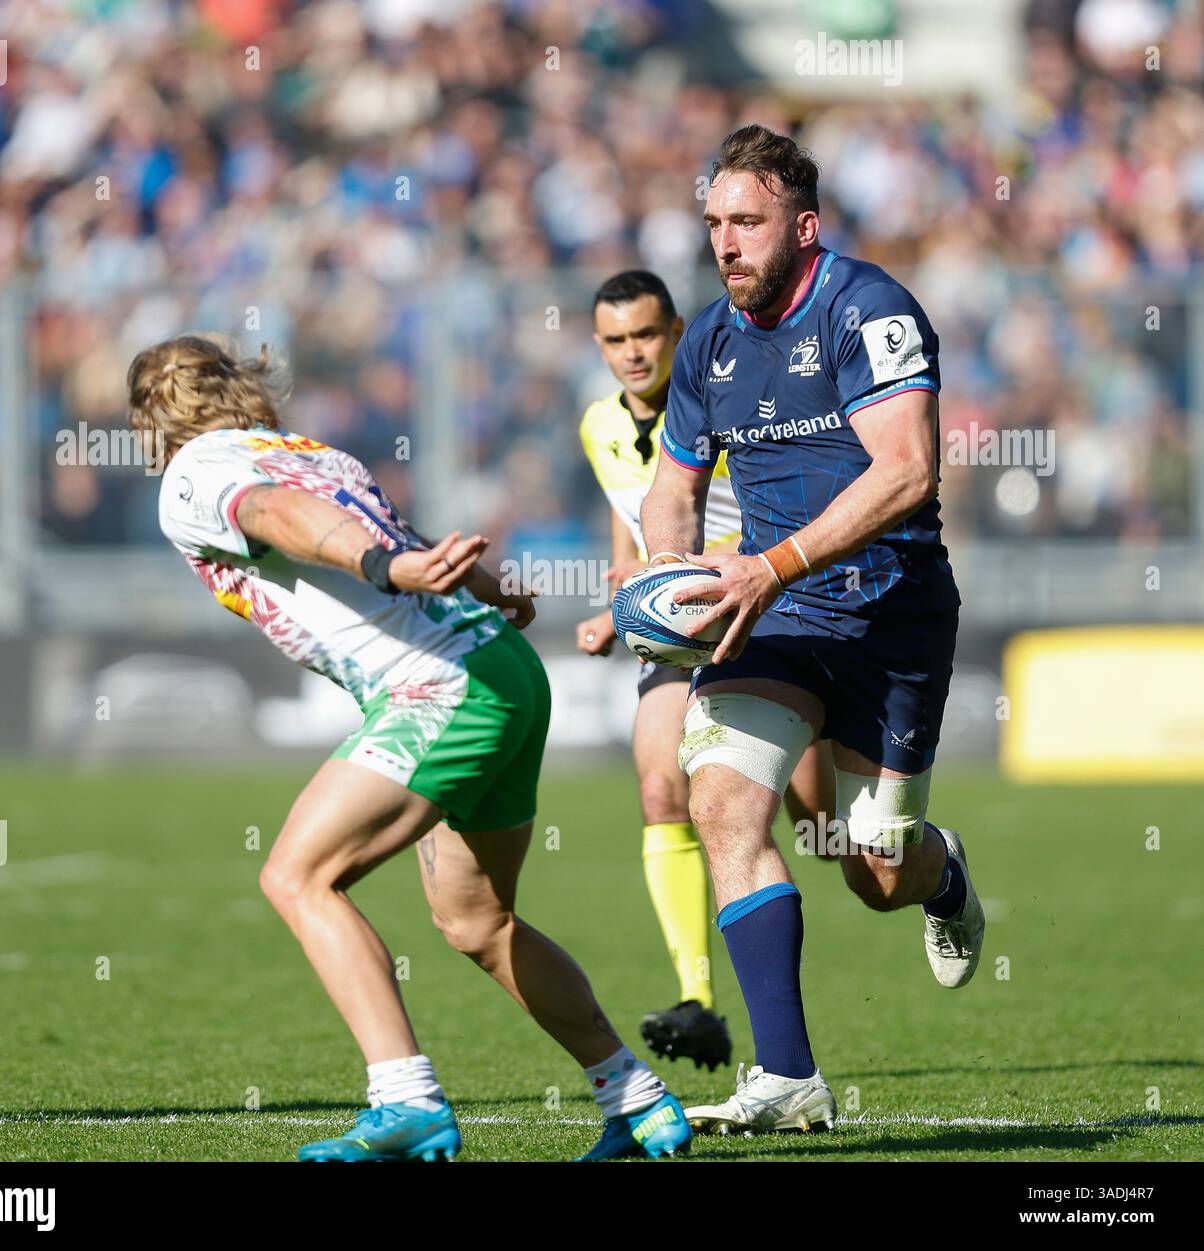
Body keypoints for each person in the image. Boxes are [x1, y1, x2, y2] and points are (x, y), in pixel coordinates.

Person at [128, 334, 691, 1161]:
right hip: (502, 665)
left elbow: (278, 516)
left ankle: (405, 1098)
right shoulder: (312, 451)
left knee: (297, 874)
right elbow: (399, 527)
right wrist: (489, 586)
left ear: (151, 424)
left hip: (439, 685)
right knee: (478, 920)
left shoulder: (194, 473)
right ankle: (638, 1101)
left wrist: (387, 567)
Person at [638, 126, 985, 1136]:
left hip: (889, 612)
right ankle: (786, 1075)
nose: (725, 243)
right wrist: (665, 581)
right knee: (723, 805)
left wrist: (771, 561)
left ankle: (942, 871)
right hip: (772, 615)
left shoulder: (866, 309)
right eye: (712, 224)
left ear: (801, 223)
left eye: (745, 222)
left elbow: (907, 470)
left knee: (873, 867)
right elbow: (673, 492)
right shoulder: (705, 340)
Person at [576, 269, 835, 1071]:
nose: (632, 353)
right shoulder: (596, 426)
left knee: (840, 843)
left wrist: (718, 570)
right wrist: (616, 602)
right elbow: (630, 533)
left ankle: (921, 866)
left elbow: (782, 516)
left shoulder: (729, 408)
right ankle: (698, 1000)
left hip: (769, 618)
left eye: (646, 335)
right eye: (616, 340)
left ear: (678, 331)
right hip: (681, 641)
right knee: (660, 785)